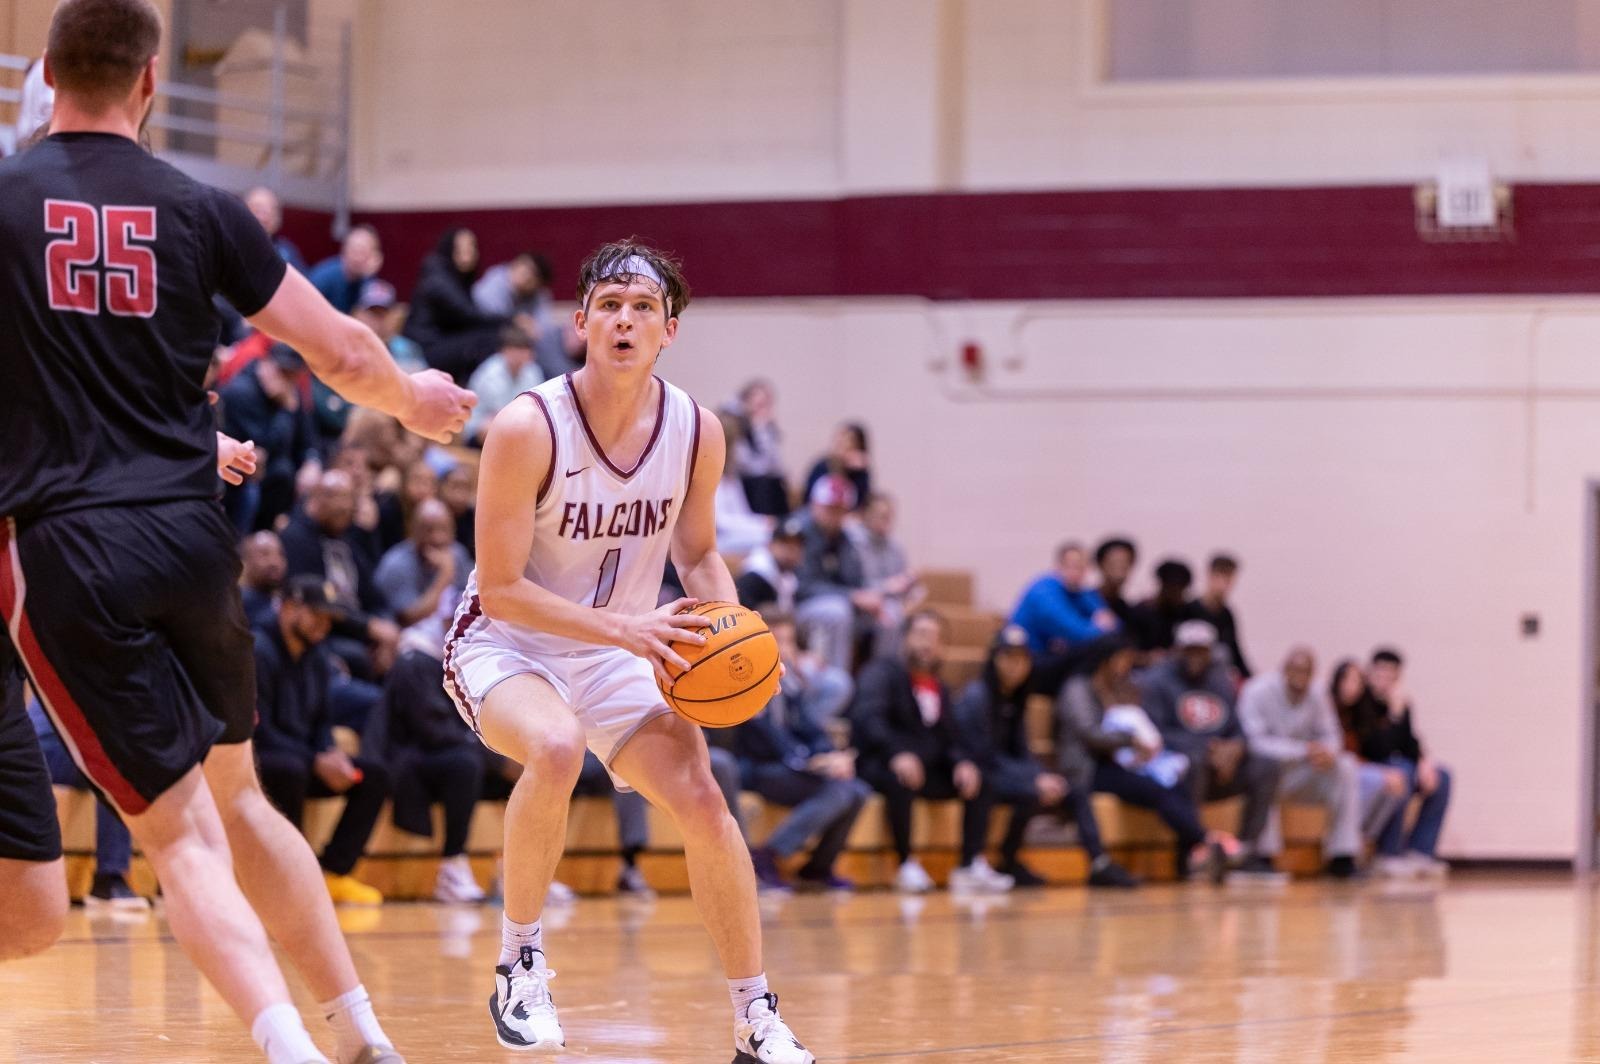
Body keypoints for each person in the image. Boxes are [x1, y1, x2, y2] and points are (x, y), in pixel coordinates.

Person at [0, 5, 473, 1060]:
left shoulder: (6, 202)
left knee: (176, 834)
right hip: (191, 538)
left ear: (44, 73)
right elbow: (343, 350)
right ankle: (359, 1029)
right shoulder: (202, 207)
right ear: (151, 81)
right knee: (240, 796)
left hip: (73, 546)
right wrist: (411, 400)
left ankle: (289, 1047)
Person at [441, 241, 815, 1060]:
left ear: (668, 330)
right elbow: (500, 589)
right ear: (579, 322)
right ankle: (519, 964)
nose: (624, 320)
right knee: (555, 745)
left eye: (643, 308)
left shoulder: (696, 430)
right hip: (506, 643)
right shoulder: (525, 426)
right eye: (609, 304)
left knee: (704, 802)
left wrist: (734, 629)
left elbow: (701, 553)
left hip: (620, 645)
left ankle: (756, 1018)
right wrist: (628, 631)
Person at [852, 611, 1015, 895]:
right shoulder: (881, 673)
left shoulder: (940, 688)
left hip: (925, 770)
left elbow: (950, 738)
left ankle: (969, 865)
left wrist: (962, 762)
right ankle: (905, 864)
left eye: (936, 639)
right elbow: (869, 721)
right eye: (922, 635)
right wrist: (896, 753)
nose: (929, 644)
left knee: (980, 778)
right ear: (906, 639)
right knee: (899, 776)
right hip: (879, 762)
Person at [254, 577, 393, 906]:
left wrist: (330, 754)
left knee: (372, 775)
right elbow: (259, 731)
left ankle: (333, 874)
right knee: (290, 771)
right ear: (289, 608)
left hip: (303, 758)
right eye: (317, 614)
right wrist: (315, 759)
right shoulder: (257, 649)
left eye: (329, 618)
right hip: (260, 760)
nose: (324, 624)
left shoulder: (317, 657)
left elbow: (321, 722)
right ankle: (288, 878)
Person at [1058, 638, 1217, 885]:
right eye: (1122, 660)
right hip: (1086, 768)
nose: (1126, 666)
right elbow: (1089, 733)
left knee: (1175, 782)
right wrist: (1132, 741)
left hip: (1114, 762)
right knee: (1156, 790)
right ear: (1107, 659)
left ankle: (1189, 854)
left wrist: (1141, 748)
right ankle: (1207, 840)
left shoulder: (1115, 688)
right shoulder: (1078, 688)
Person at [1139, 621, 1280, 873]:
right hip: (1181, 767)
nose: (1195, 656)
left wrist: (1235, 748)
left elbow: (1237, 728)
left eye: (1201, 650)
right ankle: (1190, 850)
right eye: (1189, 650)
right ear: (1178, 651)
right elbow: (1155, 733)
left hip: (1222, 766)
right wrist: (1209, 749)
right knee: (1194, 761)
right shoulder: (1157, 681)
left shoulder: (1220, 681)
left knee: (1267, 766)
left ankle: (1244, 852)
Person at [953, 626, 1079, 888]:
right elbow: (984, 756)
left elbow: (1022, 751)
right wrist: (1032, 780)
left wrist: (1041, 776)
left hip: (996, 771)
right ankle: (971, 863)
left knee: (1050, 790)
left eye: (1021, 659)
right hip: (968, 770)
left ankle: (1009, 861)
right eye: (1008, 657)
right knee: (1002, 785)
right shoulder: (977, 697)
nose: (1015, 666)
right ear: (994, 659)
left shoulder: (1015, 699)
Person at [1238, 647, 1365, 878]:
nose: (1300, 677)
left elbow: (1332, 735)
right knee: (1266, 770)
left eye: (1306, 672)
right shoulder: (1257, 691)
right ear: (1283, 669)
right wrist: (1303, 751)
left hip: (1301, 774)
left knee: (1346, 766)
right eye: (1295, 670)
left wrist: (1328, 752)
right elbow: (1253, 742)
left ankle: (1342, 856)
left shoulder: (1317, 694)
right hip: (1265, 772)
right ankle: (1262, 856)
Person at [27, 695, 148, 912]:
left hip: (68, 750)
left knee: (125, 766)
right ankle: (109, 878)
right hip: (46, 753)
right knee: (117, 772)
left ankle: (164, 882)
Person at [1346, 649, 1452, 877]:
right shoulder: (1362, 702)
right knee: (1400, 773)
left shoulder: (1400, 703)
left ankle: (1420, 851)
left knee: (1442, 776)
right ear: (1371, 671)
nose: (1385, 676)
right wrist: (1393, 715)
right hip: (1373, 765)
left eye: (1391, 672)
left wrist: (1424, 763)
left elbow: (1410, 742)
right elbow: (1375, 747)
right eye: (1381, 670)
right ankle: (1389, 852)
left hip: (1399, 763)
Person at [403, 227, 510, 383]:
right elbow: (468, 314)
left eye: (471, 247)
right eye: (461, 247)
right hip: (425, 347)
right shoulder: (437, 277)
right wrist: (509, 320)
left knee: (493, 335)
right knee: (488, 339)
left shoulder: (460, 278)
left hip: (442, 341)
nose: (468, 253)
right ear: (450, 248)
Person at [794, 475, 878, 671]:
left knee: (888, 613)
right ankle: (835, 680)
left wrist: (873, 595)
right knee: (836, 612)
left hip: (836, 602)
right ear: (814, 504)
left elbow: (856, 581)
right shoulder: (797, 532)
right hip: (796, 607)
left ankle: (876, 684)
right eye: (829, 508)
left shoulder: (845, 539)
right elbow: (803, 586)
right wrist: (852, 596)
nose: (835, 516)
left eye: (840, 510)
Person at [1011, 542, 1120, 688]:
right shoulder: (1043, 591)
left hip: (1054, 657)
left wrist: (1101, 627)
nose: (1076, 572)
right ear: (1058, 566)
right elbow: (1075, 631)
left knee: (1110, 648)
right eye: (1071, 566)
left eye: (1081, 567)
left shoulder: (1080, 591)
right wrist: (1098, 627)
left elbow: (1114, 626)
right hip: (1028, 660)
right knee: (1095, 654)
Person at [473, 251, 577, 379]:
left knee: (552, 338)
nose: (526, 277)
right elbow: (485, 317)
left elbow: (542, 329)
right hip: (488, 340)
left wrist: (530, 328)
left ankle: (567, 378)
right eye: (525, 269)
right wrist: (515, 321)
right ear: (516, 264)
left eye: (533, 276)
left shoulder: (538, 295)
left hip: (527, 344)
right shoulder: (495, 280)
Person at [375, 498, 472, 628]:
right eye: (429, 530)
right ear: (412, 531)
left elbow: (472, 603)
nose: (437, 538)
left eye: (444, 529)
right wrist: (445, 574)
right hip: (407, 636)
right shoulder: (396, 564)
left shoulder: (458, 553)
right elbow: (409, 619)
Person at [850, 493, 924, 658]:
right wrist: (887, 587)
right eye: (881, 516)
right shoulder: (853, 542)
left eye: (889, 516)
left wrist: (910, 588)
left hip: (893, 603)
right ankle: (882, 672)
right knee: (891, 615)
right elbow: (854, 586)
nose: (886, 521)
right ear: (866, 515)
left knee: (915, 617)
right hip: (862, 607)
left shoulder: (895, 547)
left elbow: (908, 585)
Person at [465, 325, 545, 446]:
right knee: (495, 427)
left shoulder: (533, 371)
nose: (519, 355)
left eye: (523, 350)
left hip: (518, 425)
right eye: (515, 350)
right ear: (504, 351)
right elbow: (499, 413)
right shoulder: (489, 373)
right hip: (481, 427)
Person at [727, 379, 789, 518]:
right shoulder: (738, 430)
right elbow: (752, 468)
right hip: (744, 487)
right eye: (759, 405)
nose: (762, 410)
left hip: (765, 489)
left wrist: (763, 432)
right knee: (762, 484)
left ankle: (779, 524)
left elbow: (777, 468)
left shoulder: (768, 430)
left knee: (776, 484)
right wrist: (758, 429)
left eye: (767, 405)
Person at [1192, 553, 1252, 679]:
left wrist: (1251, 679)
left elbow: (1235, 652)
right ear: (1210, 575)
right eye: (1221, 575)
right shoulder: (1191, 609)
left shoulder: (1227, 614)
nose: (1225, 582)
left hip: (1220, 676)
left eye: (1229, 577)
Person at [308, 224, 383, 313]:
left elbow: (367, 316)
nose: (357, 257)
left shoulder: (366, 277)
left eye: (363, 251)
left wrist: (370, 277)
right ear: (344, 250)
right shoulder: (324, 279)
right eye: (354, 250)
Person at [1129, 559, 1196, 653]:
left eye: (1179, 589)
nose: (1175, 594)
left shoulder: (1187, 613)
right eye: (1171, 588)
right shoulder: (1141, 612)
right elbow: (1128, 651)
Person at [803, 421, 871, 508]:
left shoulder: (860, 472)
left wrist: (853, 472)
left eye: (850, 441)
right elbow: (812, 495)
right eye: (841, 440)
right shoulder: (822, 466)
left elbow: (860, 502)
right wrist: (838, 467)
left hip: (847, 515)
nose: (844, 444)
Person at [244, 186, 307, 274]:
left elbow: (301, 283)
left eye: (270, 211)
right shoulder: (229, 246)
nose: (263, 217)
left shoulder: (288, 252)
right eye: (257, 210)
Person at [1093, 536, 1142, 636]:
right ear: (1100, 564)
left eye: (1125, 564)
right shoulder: (1083, 602)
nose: (1119, 571)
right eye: (1114, 563)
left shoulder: (1127, 610)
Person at [240, 530, 289, 628]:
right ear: (246, 560)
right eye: (264, 554)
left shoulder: (283, 600)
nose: (274, 561)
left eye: (280, 554)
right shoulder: (237, 603)